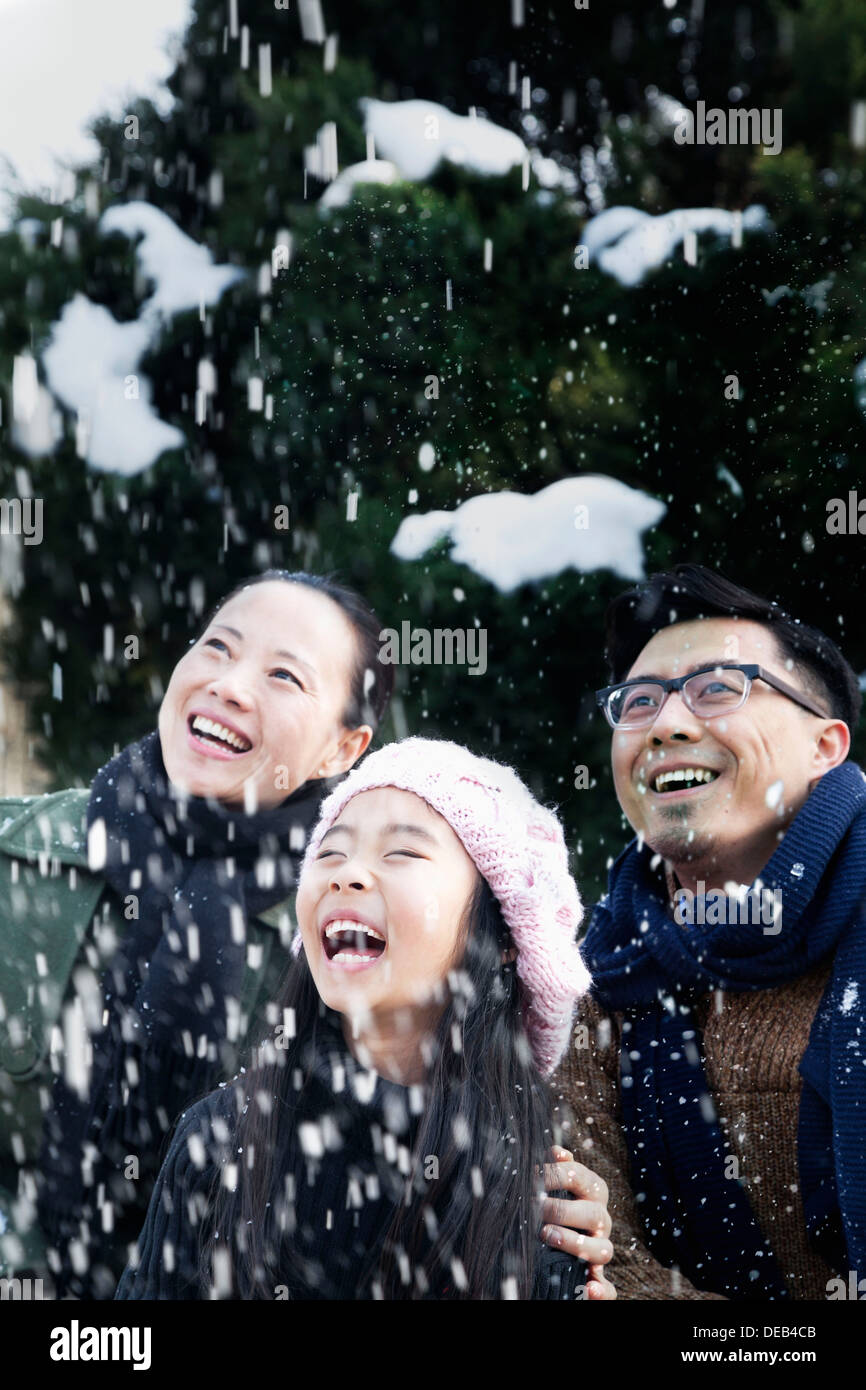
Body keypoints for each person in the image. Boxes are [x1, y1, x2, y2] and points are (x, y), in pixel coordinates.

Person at [0, 570, 392, 1297]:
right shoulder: (14, 858)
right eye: (218, 647)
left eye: (283, 674)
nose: (230, 685)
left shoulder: (351, 941)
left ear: (343, 748)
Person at [117, 737, 595, 1300]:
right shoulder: (221, 1139)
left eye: (402, 853)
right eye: (330, 854)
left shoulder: (539, 1199)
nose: (348, 876)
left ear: (505, 935)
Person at [553, 563, 865, 1300]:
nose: (667, 725)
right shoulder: (590, 987)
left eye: (718, 688)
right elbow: (599, 1266)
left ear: (826, 745)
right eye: (637, 702)